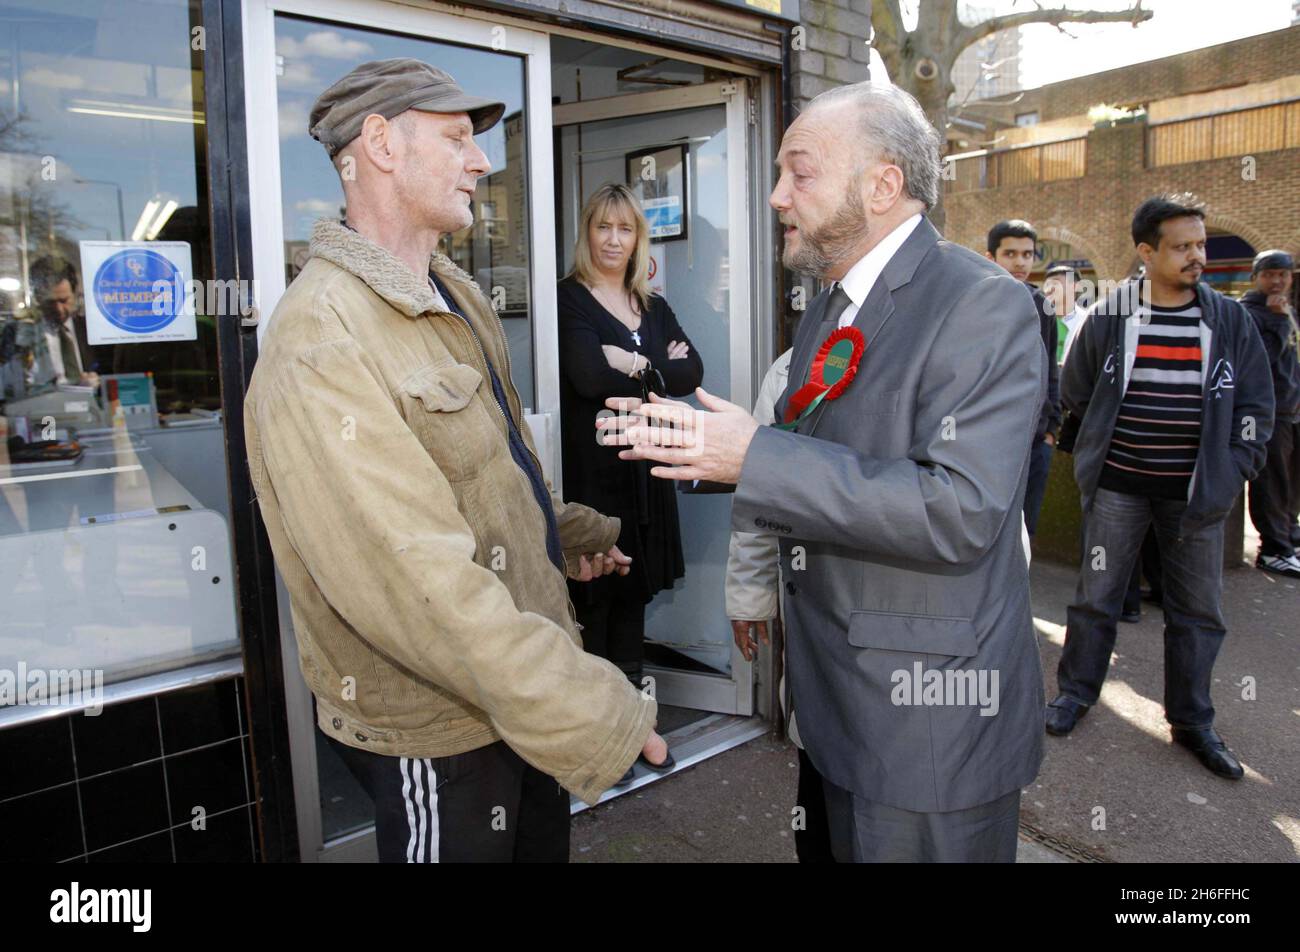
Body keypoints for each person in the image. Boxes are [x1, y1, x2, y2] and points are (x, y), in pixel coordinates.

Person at [605, 81, 1046, 863]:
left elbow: (959, 511)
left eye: (799, 173)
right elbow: (821, 462)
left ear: (883, 184)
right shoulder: (826, 310)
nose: (777, 196)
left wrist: (755, 455)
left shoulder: (982, 304)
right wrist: (709, 451)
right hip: (835, 700)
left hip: (926, 728)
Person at [244, 58, 666, 863]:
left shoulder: (454, 294)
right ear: (380, 146)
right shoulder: (320, 337)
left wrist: (563, 535)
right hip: (440, 728)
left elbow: (486, 471)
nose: (480, 162)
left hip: (516, 699)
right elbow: (411, 577)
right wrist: (589, 708)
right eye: (457, 139)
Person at [1048, 194, 1274, 780]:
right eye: (1182, 247)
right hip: (1117, 488)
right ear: (1147, 252)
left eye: (1201, 244)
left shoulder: (1229, 320)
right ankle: (1076, 693)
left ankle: (1192, 721)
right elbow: (1076, 389)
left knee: (1197, 611)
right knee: (1096, 597)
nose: (1197, 256)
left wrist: (1236, 465)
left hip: (1196, 496)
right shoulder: (1112, 314)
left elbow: (1255, 402)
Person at [556, 183, 702, 781]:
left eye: (626, 229)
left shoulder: (652, 305)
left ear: (639, 238)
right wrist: (653, 370)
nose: (614, 241)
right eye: (603, 227)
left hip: (647, 473)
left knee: (633, 599)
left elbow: (692, 371)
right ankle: (601, 741)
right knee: (596, 605)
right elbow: (588, 378)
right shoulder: (568, 299)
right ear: (587, 233)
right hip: (596, 478)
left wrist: (633, 362)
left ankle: (636, 728)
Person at [723, 348, 834, 863]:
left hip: (907, 651)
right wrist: (749, 594)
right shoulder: (793, 367)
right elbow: (761, 492)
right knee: (819, 792)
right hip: (813, 616)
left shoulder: (941, 342)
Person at [985, 220, 1060, 537]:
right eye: (1011, 253)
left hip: (1033, 444)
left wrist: (1050, 430)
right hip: (984, 440)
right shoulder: (974, 301)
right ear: (991, 257)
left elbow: (1051, 371)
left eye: (1027, 254)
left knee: (1023, 534)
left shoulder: (1042, 305)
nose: (1020, 262)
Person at [1240, 250, 1300, 578]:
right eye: (1269, 274)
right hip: (1268, 412)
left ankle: (1289, 536)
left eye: (1283, 274)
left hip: (1292, 408)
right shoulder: (1249, 313)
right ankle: (1273, 549)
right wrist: (1277, 320)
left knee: (1291, 480)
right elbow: (1259, 360)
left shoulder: (1287, 311)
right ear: (1255, 278)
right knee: (1272, 481)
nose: (1276, 281)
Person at [29, 256, 98, 388]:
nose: (59, 309)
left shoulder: (91, 330)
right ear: (38, 297)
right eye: (50, 302)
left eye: (64, 300)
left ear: (75, 294)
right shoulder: (28, 334)